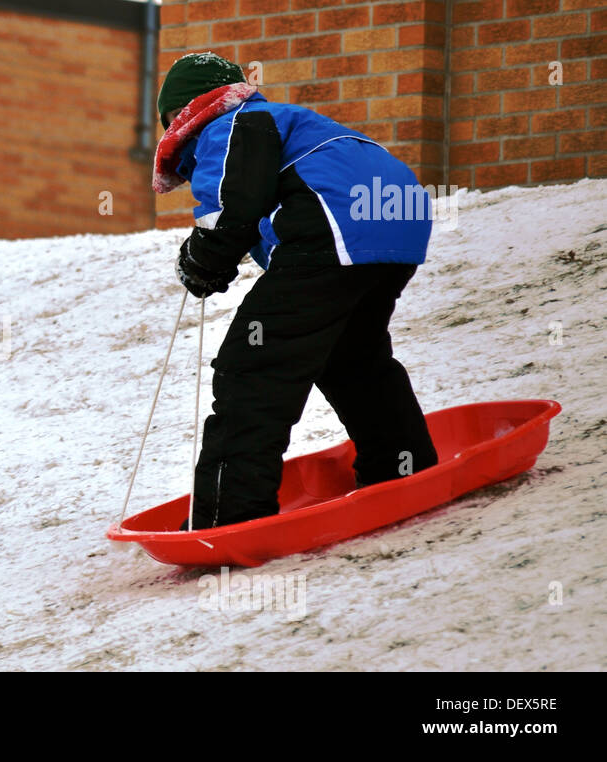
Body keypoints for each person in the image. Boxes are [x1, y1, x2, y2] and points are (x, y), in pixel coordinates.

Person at [151, 52, 439, 530]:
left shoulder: (228, 123)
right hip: (397, 222)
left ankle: (228, 514)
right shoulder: (288, 120)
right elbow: (266, 197)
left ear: (180, 113)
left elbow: (234, 203)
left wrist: (204, 259)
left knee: (253, 367)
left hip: (336, 226)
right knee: (354, 360)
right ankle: (401, 470)